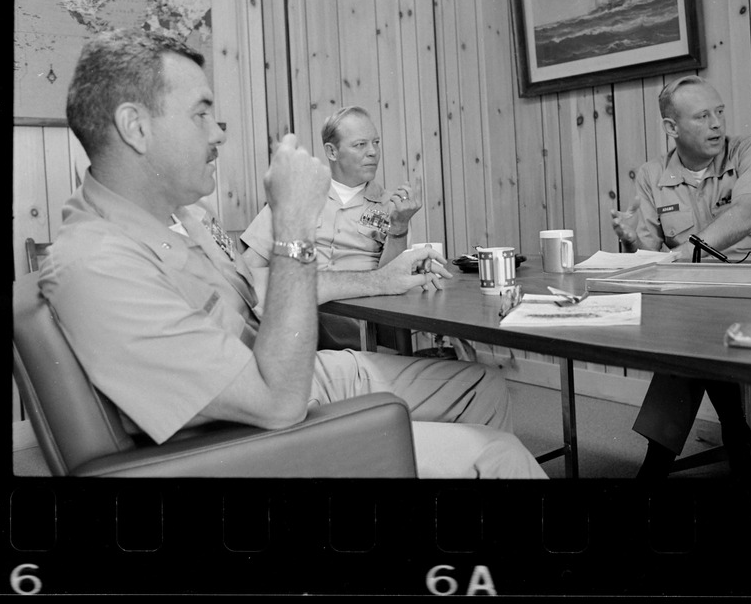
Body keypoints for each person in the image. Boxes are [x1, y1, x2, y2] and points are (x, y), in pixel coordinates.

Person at [39, 28, 546, 479]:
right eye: (201, 114)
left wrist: (379, 280)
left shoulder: (181, 215)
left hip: (289, 368)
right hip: (261, 420)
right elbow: (274, 401)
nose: (219, 132)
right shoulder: (97, 262)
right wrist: (295, 223)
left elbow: (256, 289)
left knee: (481, 386)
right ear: (136, 127)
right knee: (498, 456)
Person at [610, 74, 751, 481]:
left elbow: (746, 214)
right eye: (702, 116)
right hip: (698, 291)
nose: (717, 123)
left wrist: (684, 251)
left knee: (691, 327)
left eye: (719, 112)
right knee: (690, 322)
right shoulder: (650, 174)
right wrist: (630, 242)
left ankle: (658, 462)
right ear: (671, 128)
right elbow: (649, 257)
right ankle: (738, 435)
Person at [241, 105, 425, 350]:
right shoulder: (295, 196)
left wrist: (400, 226)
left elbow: (391, 279)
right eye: (360, 145)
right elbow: (247, 268)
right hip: (292, 331)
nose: (373, 152)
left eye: (376, 142)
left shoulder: (392, 207)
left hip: (361, 334)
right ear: (332, 151)